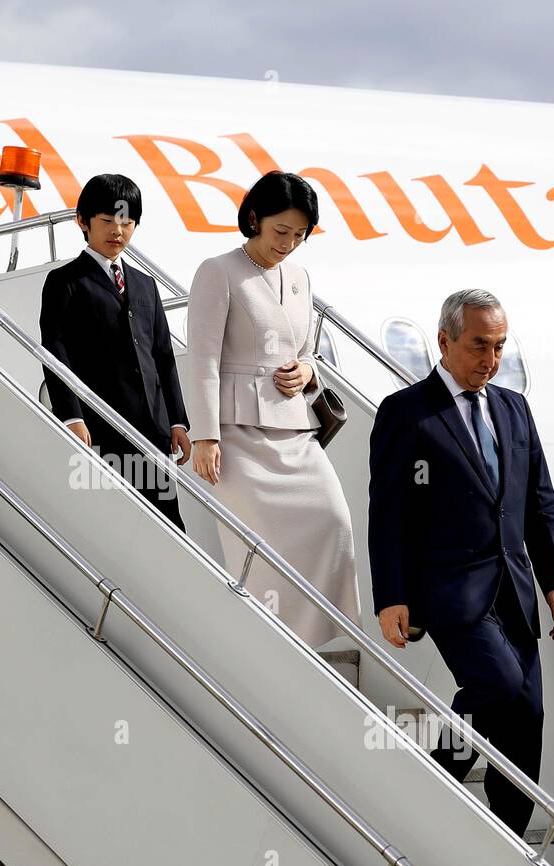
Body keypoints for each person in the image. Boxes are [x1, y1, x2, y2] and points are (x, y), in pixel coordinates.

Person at [368, 288, 554, 838]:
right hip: (451, 592)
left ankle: (509, 834)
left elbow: (539, 499)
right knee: (500, 688)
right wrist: (391, 595)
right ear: (444, 341)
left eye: (500, 346)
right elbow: (387, 514)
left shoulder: (513, 408)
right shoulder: (407, 413)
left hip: (516, 587)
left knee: (527, 716)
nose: (491, 359)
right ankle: (439, 771)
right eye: (479, 345)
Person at [187, 171, 360, 646]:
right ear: (254, 219)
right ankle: (270, 644)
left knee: (335, 522)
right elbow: (201, 358)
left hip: (295, 430)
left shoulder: (301, 277)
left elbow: (304, 349)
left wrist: (308, 372)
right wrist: (206, 436)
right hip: (237, 434)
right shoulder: (218, 270)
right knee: (261, 548)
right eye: (281, 232)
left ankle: (322, 640)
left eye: (300, 235)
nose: (289, 244)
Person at [39, 173, 190, 530]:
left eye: (127, 222)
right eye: (107, 221)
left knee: (168, 525)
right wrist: (71, 417)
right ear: (83, 221)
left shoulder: (145, 284)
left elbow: (163, 356)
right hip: (101, 426)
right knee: (114, 523)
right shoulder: (65, 282)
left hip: (153, 431)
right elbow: (55, 353)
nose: (117, 231)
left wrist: (178, 420)